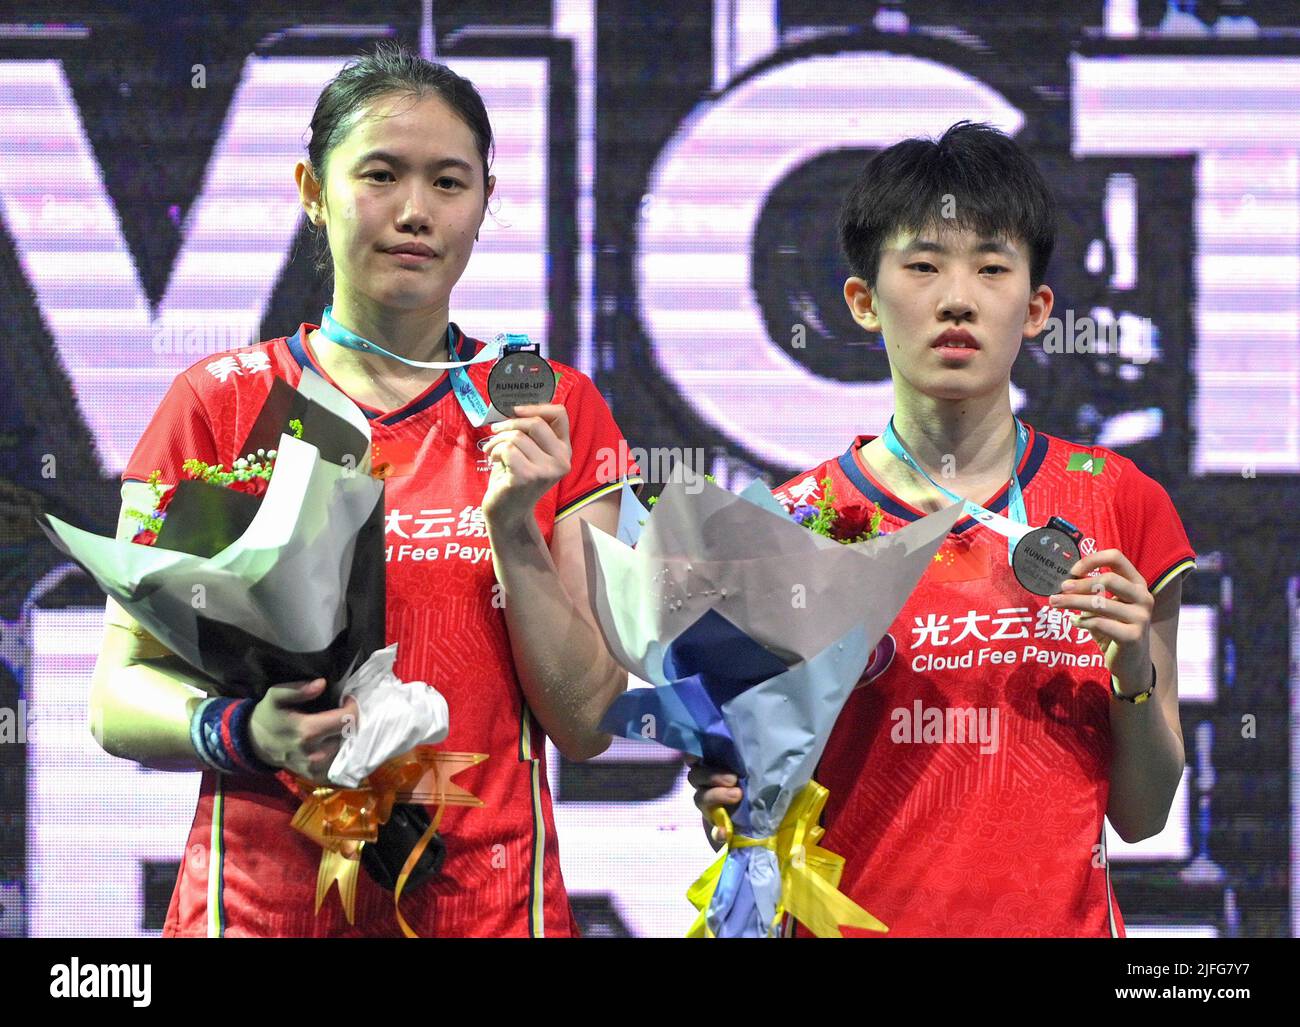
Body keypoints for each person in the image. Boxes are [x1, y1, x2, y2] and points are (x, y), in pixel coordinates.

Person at [89, 43, 641, 937]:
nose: (415, 212)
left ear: (485, 204)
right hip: (257, 916)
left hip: (489, 916)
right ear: (311, 188)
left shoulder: (555, 411)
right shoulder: (219, 405)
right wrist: (244, 733)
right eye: (380, 175)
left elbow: (583, 721)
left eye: (450, 183)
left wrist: (515, 530)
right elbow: (119, 695)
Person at [689, 122, 1195, 938]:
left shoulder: (1119, 502)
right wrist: (728, 789)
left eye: (991, 268)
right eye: (923, 266)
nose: (957, 297)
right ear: (863, 300)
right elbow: (749, 803)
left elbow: (1144, 814)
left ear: (1035, 309)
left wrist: (1133, 673)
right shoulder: (792, 526)